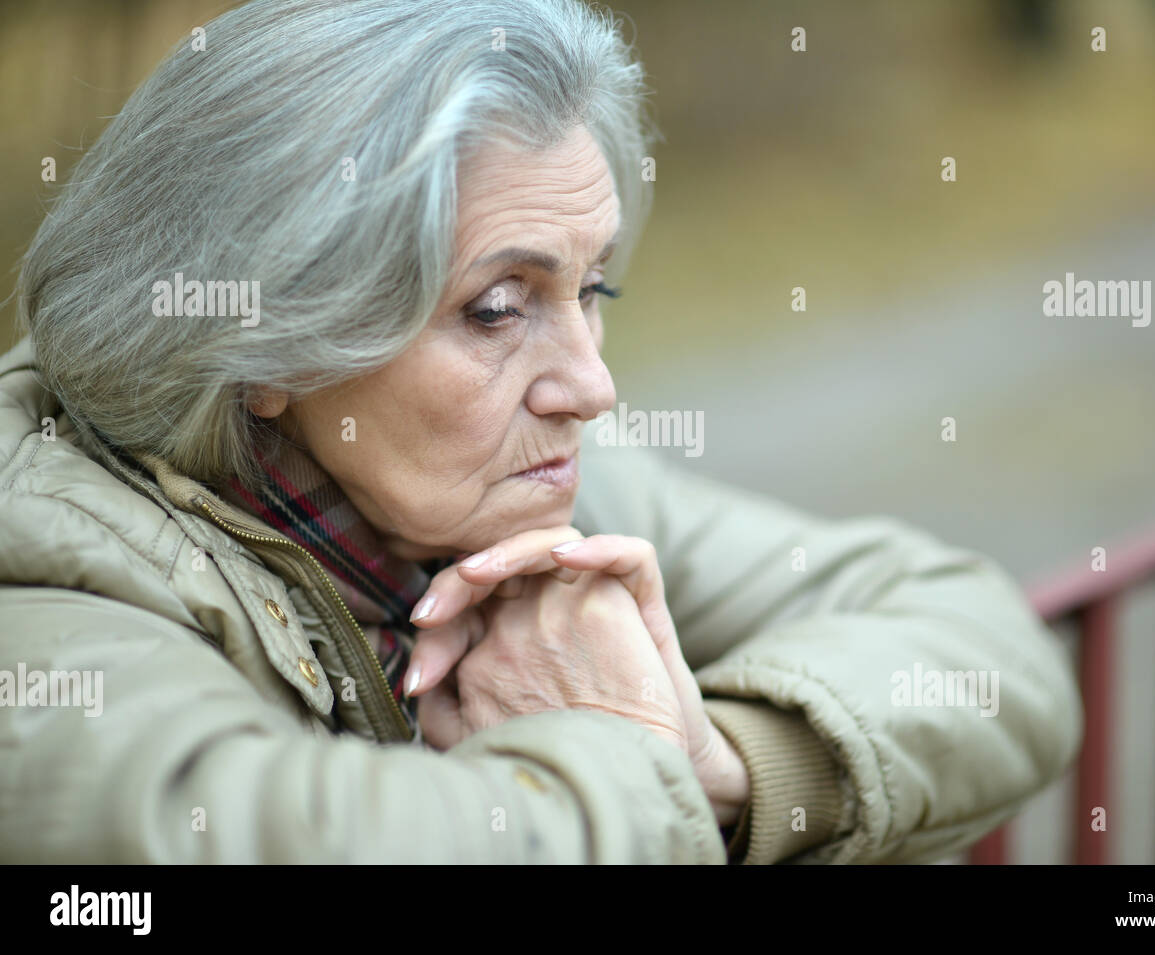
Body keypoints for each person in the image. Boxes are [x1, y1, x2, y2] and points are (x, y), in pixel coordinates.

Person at [0, 0, 1082, 864]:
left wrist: (729, 758)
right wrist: (616, 742)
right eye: (497, 309)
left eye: (592, 287)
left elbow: (984, 645)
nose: (590, 386)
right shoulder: (49, 573)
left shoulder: (533, 494)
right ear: (275, 339)